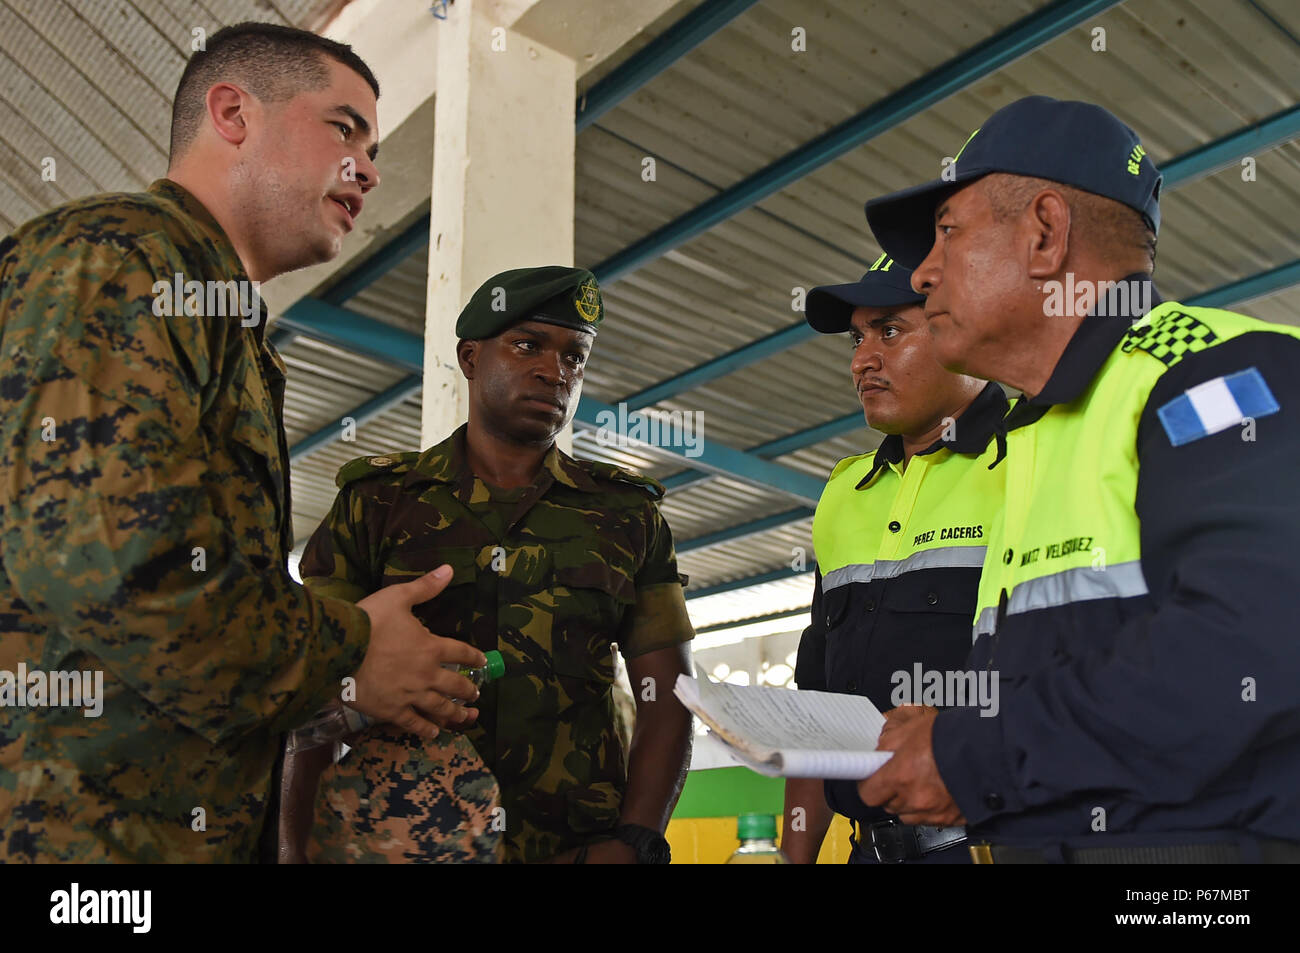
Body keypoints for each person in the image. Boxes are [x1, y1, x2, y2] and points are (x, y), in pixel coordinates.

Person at [0, 22, 484, 863]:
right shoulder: (127, 259)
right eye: (344, 129)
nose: (368, 167)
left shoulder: (214, 309)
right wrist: (350, 650)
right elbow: (115, 567)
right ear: (232, 113)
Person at [859, 95, 1300, 863]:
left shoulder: (1213, 373)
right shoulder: (1036, 435)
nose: (923, 273)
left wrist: (970, 751)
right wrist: (957, 716)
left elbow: (1259, 640)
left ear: (1044, 233)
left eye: (948, 233)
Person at [292, 266, 695, 863]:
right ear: (470, 357)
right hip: (404, 841)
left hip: (576, 848)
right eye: (527, 344)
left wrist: (636, 840)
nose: (554, 371)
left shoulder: (626, 515)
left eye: (574, 356)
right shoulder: (378, 503)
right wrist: (292, 846)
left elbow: (669, 696)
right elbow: (310, 693)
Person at [781, 257, 1007, 864]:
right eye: (858, 339)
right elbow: (818, 706)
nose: (861, 360)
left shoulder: (1032, 459)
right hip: (870, 851)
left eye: (889, 331)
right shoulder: (844, 491)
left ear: (959, 328)